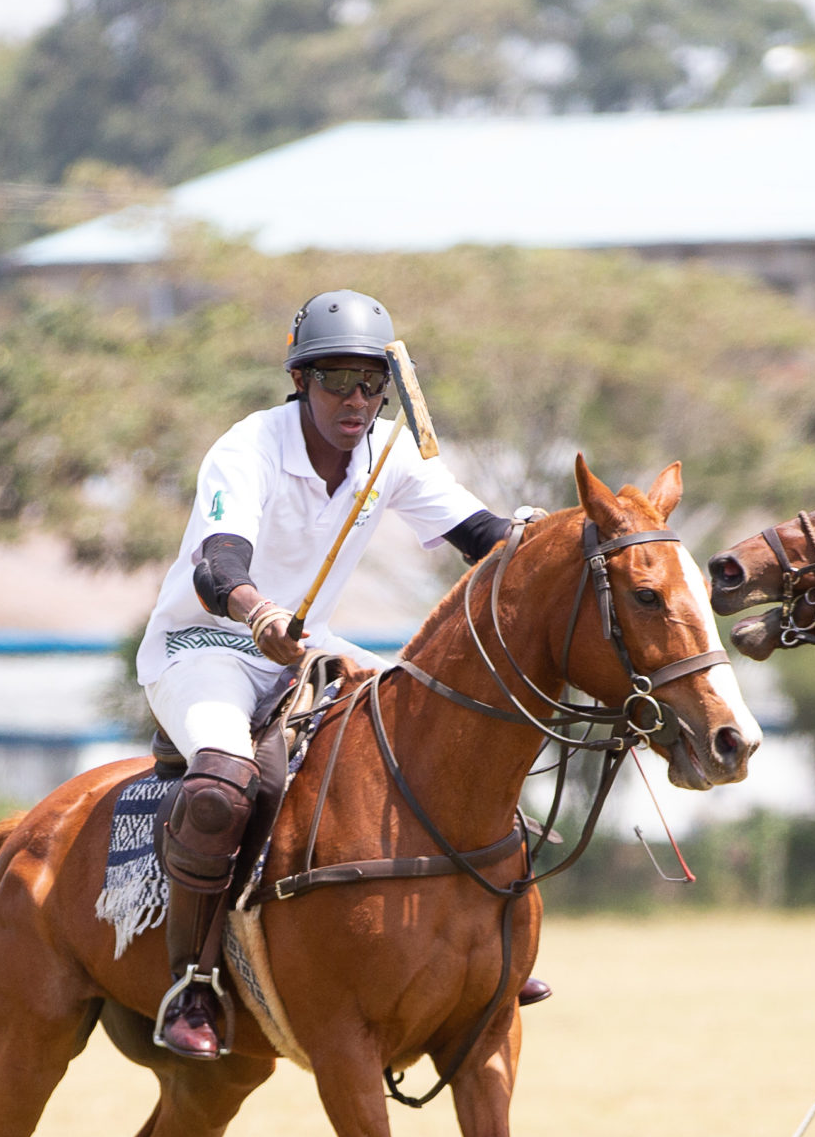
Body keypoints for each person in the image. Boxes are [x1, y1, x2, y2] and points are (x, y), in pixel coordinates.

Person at [136, 288, 536, 1061]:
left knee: (442, 732)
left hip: (305, 643)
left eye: (370, 382)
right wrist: (259, 616)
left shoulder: (389, 452)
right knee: (221, 783)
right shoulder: (246, 448)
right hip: (206, 643)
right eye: (335, 380)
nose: (355, 400)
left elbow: (480, 535)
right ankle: (192, 984)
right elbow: (218, 563)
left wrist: (542, 541)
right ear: (300, 382)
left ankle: (489, 946)